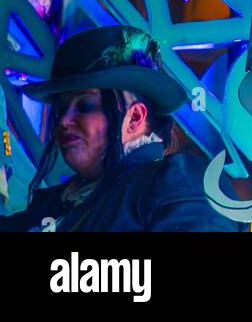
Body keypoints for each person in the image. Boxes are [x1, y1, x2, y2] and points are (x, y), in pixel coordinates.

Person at [0, 25, 238, 232]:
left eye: (85, 105)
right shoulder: (58, 200)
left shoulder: (179, 184)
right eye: (61, 109)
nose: (64, 121)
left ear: (134, 117)